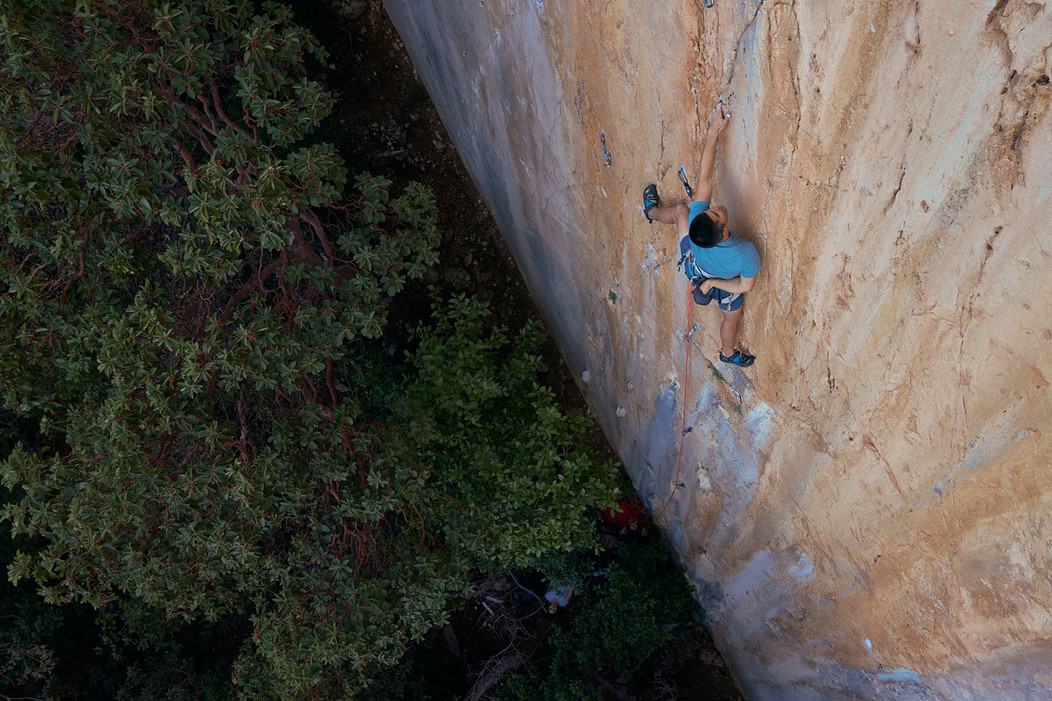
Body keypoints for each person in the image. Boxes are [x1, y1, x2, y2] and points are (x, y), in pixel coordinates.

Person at [642, 102, 761, 367]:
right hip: (722, 281)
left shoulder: (699, 221)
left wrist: (713, 131)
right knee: (731, 318)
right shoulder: (745, 253)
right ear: (724, 232)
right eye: (716, 214)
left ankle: (652, 212)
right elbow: (744, 286)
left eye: (711, 211)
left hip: (694, 266)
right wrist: (713, 284)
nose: (716, 208)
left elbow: (705, 180)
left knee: (680, 211)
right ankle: (727, 354)